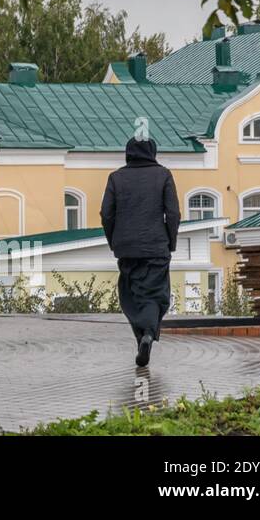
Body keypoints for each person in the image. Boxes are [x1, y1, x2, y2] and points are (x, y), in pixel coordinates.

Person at [100, 136, 180, 366]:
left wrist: (114, 241)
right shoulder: (163, 175)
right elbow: (172, 213)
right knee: (155, 295)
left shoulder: (116, 178)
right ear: (152, 152)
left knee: (131, 294)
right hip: (156, 246)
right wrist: (170, 241)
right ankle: (147, 335)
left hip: (127, 249)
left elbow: (106, 214)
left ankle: (141, 338)